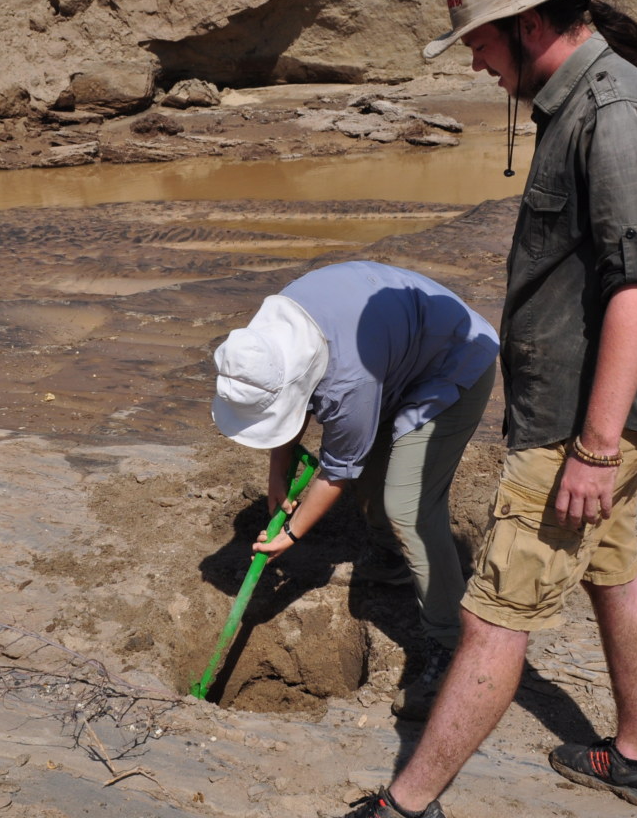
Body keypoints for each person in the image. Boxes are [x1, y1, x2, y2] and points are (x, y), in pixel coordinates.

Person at [295, 0, 637, 818]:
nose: (473, 59)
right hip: (587, 411)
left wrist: (594, 449)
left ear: (524, 24)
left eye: (477, 40)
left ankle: (409, 811)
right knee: (611, 570)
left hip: (579, 425)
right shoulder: (573, 102)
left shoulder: (616, 111)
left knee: (494, 613)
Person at [211, 260, 498, 718]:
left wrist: (292, 533)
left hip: (453, 357)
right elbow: (291, 400)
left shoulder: (348, 381)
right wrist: (277, 473)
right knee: (376, 476)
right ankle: (392, 559)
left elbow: (339, 468)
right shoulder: (266, 337)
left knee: (408, 505)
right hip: (395, 350)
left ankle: (451, 646)